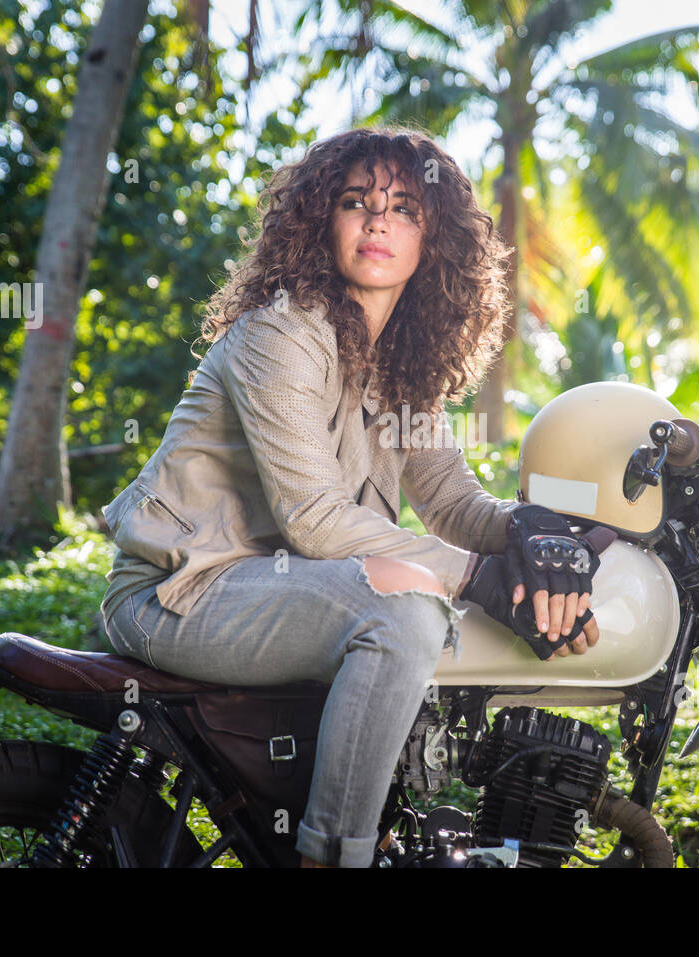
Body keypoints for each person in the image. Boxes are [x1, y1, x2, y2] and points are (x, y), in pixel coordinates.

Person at [100, 126, 600, 868]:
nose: (377, 221)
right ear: (318, 220)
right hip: (181, 590)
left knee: (412, 593)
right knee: (403, 611)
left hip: (276, 595)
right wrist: (477, 578)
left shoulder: (402, 365)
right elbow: (315, 520)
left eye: (403, 208)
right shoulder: (282, 332)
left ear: (433, 241)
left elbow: (456, 504)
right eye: (355, 202)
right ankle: (333, 857)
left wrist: (538, 532)